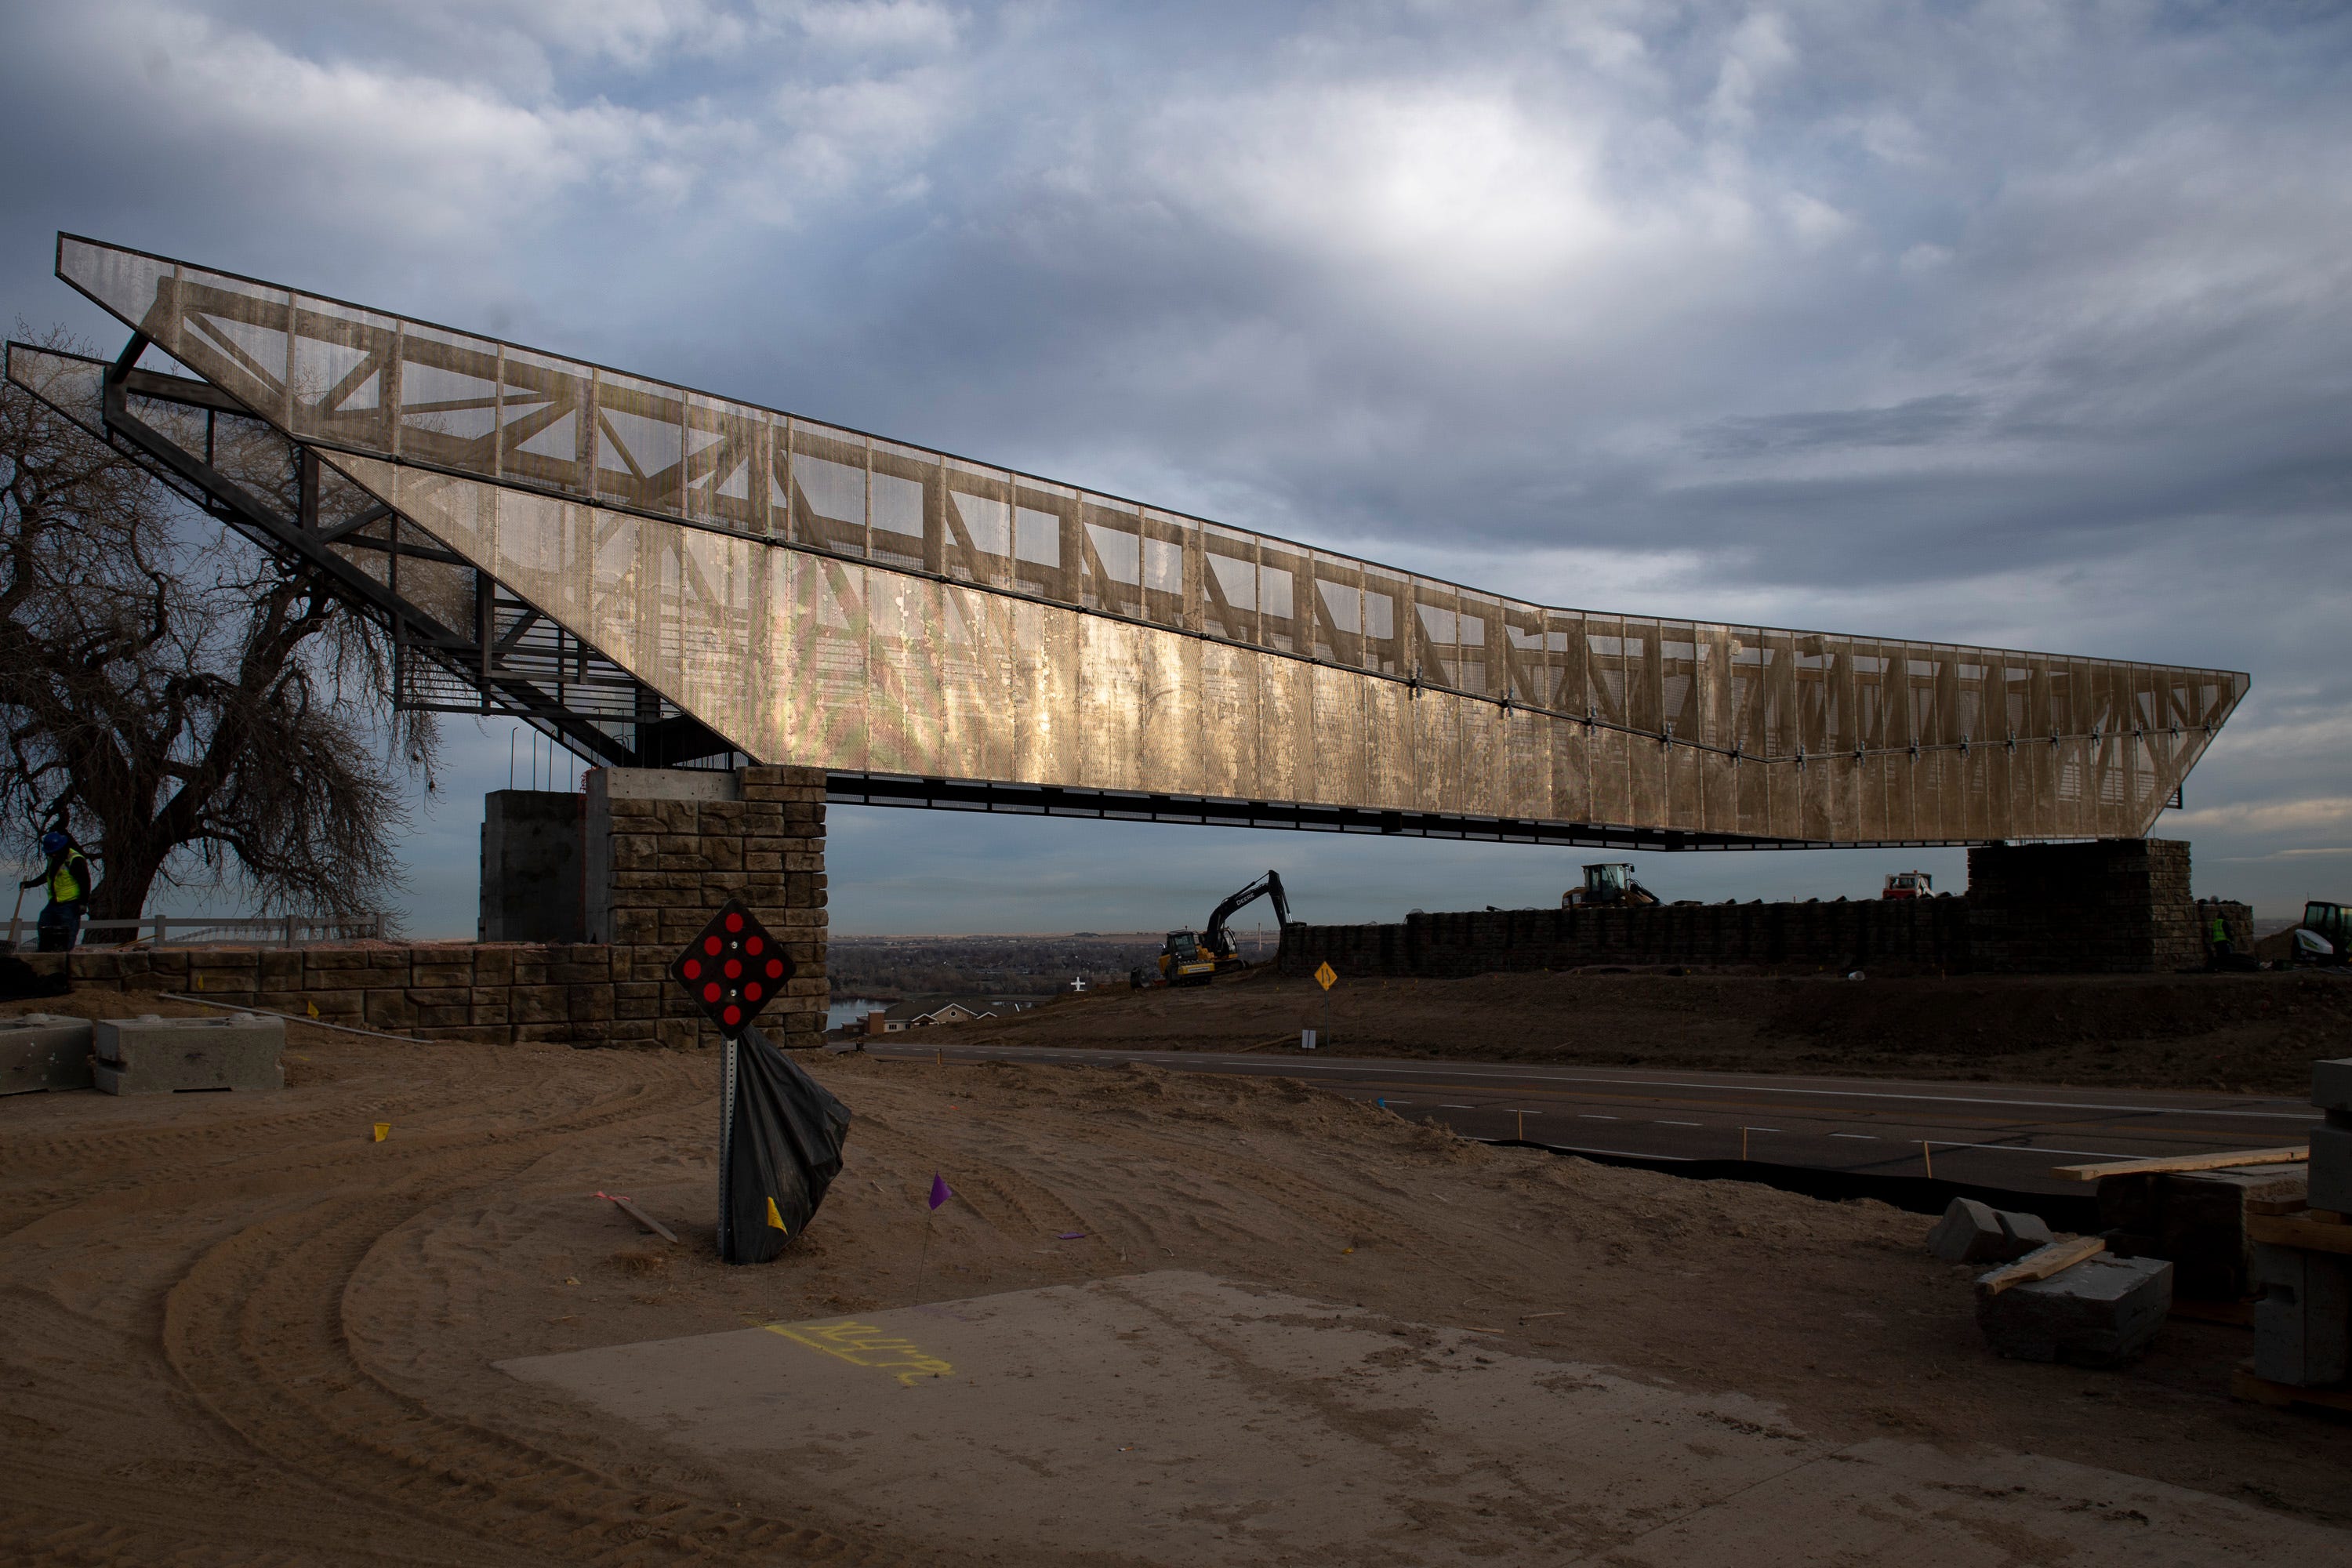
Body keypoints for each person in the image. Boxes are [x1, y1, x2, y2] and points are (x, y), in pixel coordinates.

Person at [20, 831, 93, 953]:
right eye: (50, 853)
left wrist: (83, 903)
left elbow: (85, 882)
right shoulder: (53, 858)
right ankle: (45, 954)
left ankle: (64, 957)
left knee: (66, 933)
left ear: (61, 848)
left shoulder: (75, 860)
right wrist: (30, 884)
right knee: (44, 924)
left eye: (54, 852)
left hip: (71, 903)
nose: (52, 855)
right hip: (55, 902)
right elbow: (48, 875)